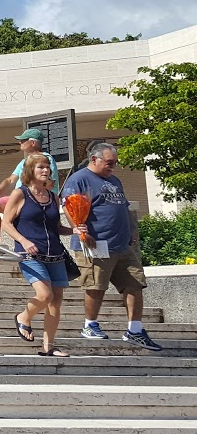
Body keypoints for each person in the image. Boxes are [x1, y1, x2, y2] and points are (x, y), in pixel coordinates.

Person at [61, 141, 161, 351]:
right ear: (94, 159)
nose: (113, 167)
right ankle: (90, 325)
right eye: (109, 162)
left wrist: (132, 228)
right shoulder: (79, 179)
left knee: (134, 284)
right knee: (96, 286)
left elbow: (124, 207)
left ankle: (135, 330)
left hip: (121, 244)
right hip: (95, 243)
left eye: (114, 162)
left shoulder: (114, 180)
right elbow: (69, 206)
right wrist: (80, 231)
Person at [0, 152, 72, 356]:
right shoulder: (20, 194)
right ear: (30, 170)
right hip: (29, 253)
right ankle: (23, 316)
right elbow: (6, 223)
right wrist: (23, 240)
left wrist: (74, 230)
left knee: (55, 301)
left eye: (47, 167)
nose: (45, 170)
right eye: (40, 167)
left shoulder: (53, 197)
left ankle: (49, 346)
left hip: (55, 254)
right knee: (45, 295)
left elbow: (56, 227)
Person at [0, 128, 57, 249]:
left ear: (33, 142)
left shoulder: (46, 159)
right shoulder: (24, 161)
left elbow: (50, 183)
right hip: (21, 198)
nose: (20, 142)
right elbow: (10, 180)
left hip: (37, 201)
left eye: (23, 140)